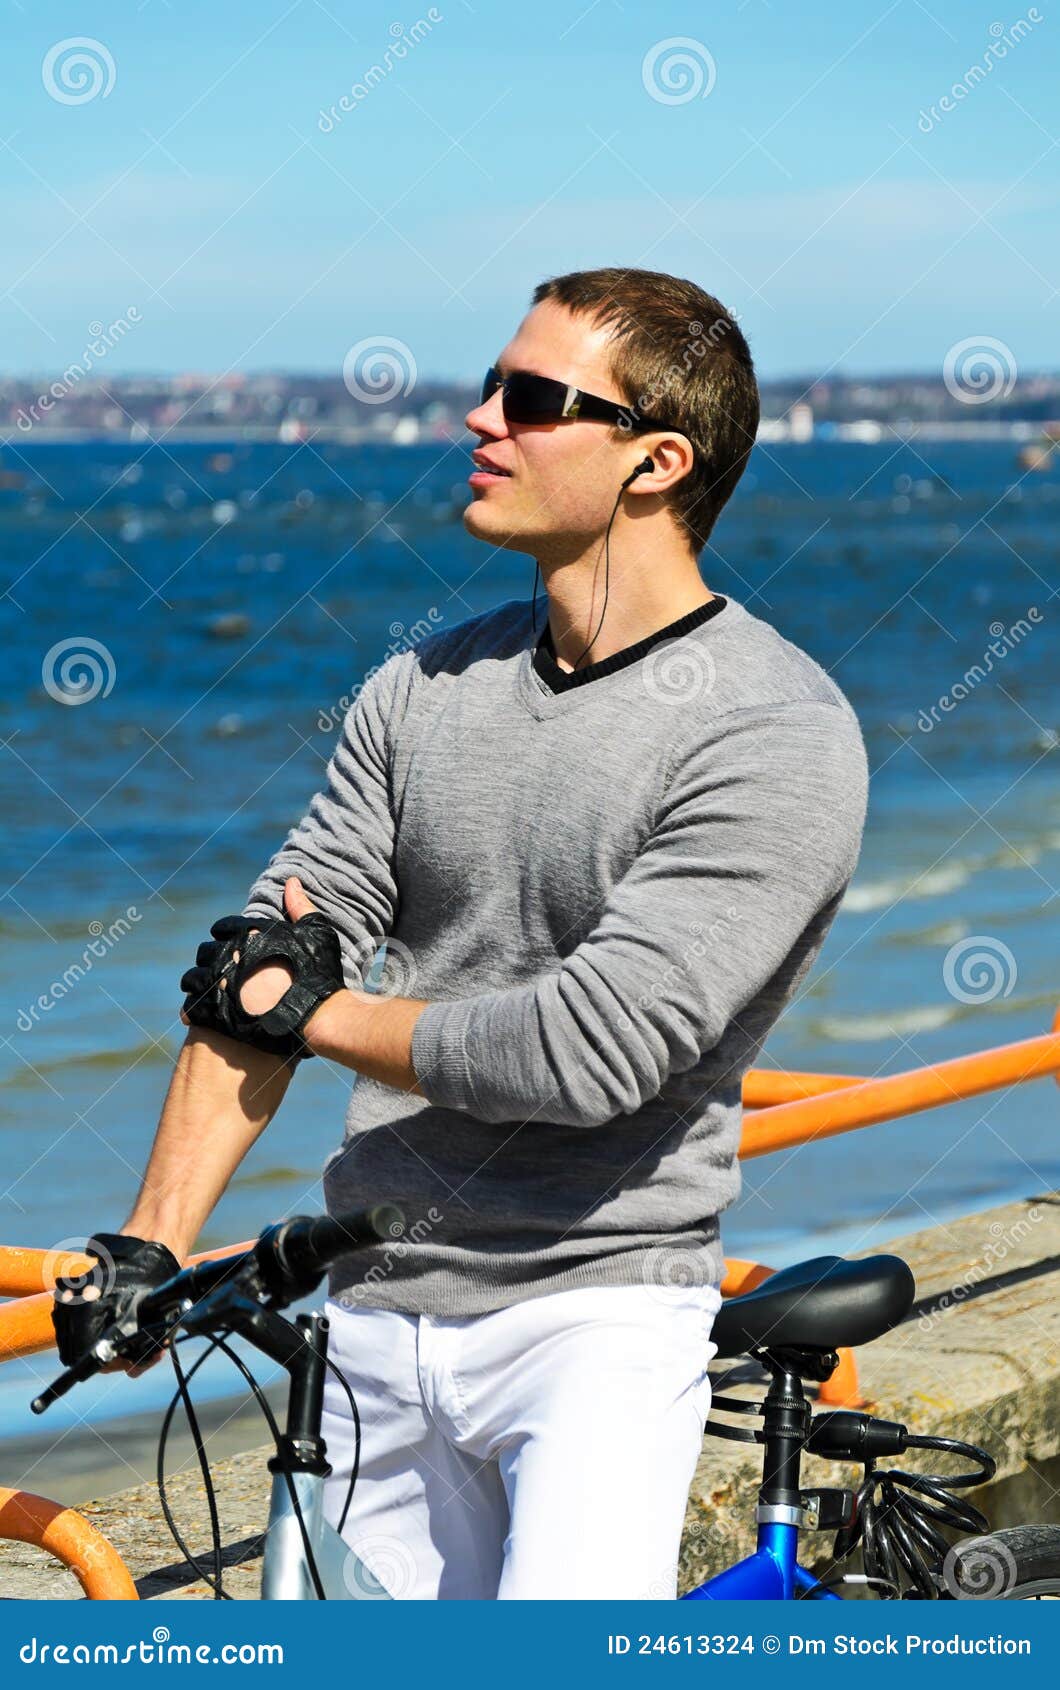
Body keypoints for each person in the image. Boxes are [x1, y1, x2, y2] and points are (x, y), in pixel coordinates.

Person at [52, 266, 868, 1600]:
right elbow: (249, 967)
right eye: (489, 385)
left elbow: (591, 1050)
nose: (480, 417)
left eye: (532, 398)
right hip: (370, 1309)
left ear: (657, 460)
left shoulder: (773, 726)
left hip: (595, 1315)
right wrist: (148, 1242)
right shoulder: (419, 688)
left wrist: (314, 1012)